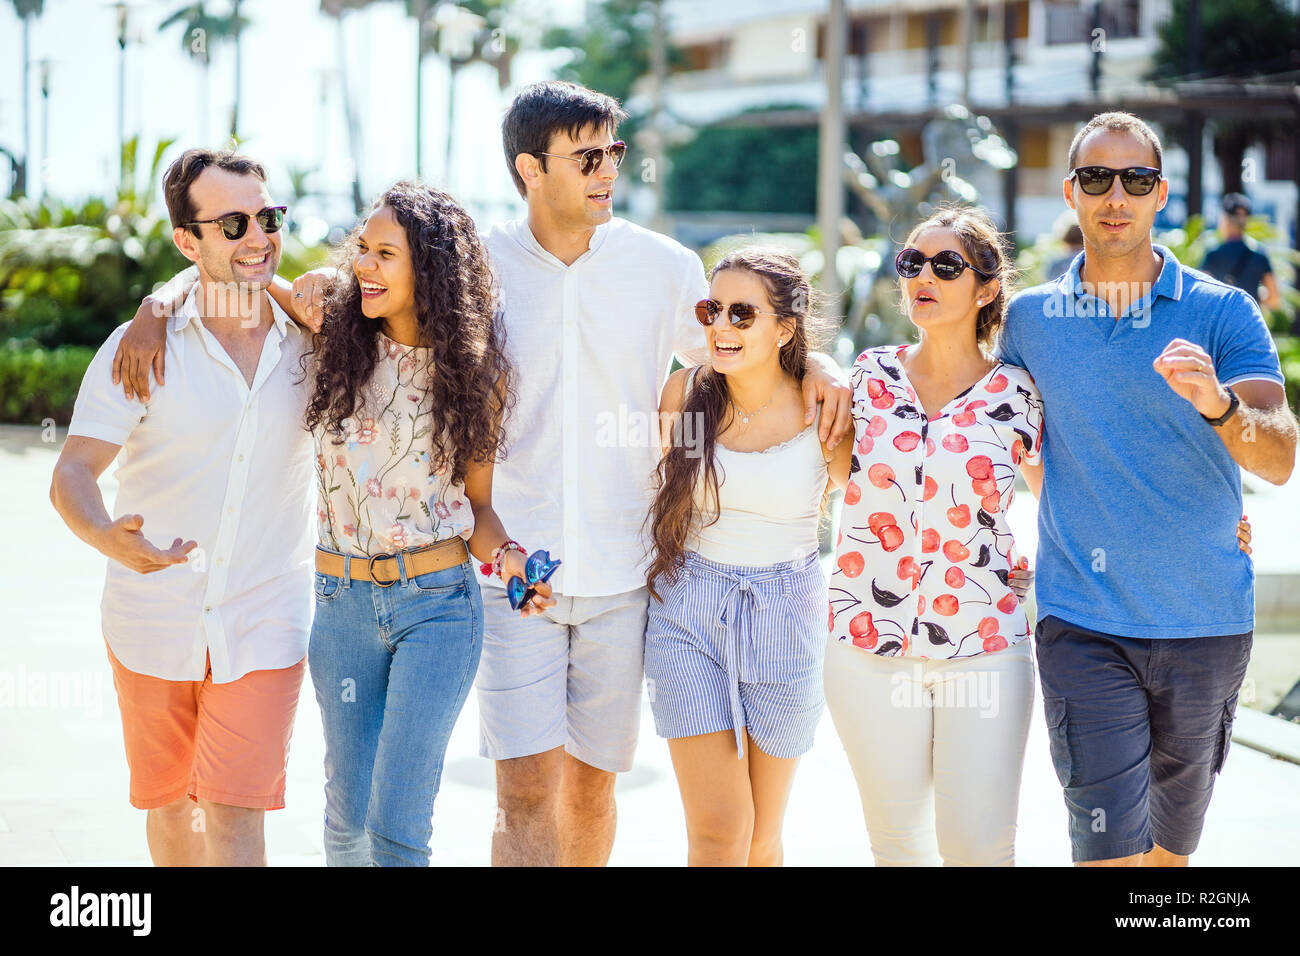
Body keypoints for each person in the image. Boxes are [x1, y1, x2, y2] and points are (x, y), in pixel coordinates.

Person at [459, 81, 853, 866]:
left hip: (629, 574)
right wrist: (165, 304)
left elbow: (748, 354)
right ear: (529, 168)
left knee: (591, 789)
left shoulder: (666, 267)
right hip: (511, 568)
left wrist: (828, 370)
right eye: (586, 157)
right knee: (523, 789)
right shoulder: (478, 267)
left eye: (614, 151)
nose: (608, 170)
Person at [111, 181, 553, 866]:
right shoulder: (332, 335)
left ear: (430, 268)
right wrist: (152, 306)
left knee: (396, 824)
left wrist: (515, 559)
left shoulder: (474, 373)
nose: (365, 267)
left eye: (386, 254)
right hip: (339, 605)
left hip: (437, 608)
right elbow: (227, 274)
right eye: (363, 250)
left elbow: (480, 509)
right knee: (346, 819)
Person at [998, 111, 1298, 867]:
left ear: (1160, 192)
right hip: (1083, 622)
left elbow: (1280, 458)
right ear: (1072, 192)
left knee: (1168, 856)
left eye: (1136, 179)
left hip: (1205, 619)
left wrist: (1220, 408)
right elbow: (985, 418)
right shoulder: (1031, 319)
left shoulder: (1222, 311)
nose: (1115, 196)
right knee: (1105, 849)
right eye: (1096, 178)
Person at [49, 148, 312, 866]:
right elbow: (73, 470)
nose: (257, 236)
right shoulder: (137, 351)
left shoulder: (316, 342)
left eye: (268, 217)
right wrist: (106, 536)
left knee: (233, 812)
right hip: (151, 617)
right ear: (187, 241)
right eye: (232, 223)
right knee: (173, 809)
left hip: (267, 616)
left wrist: (165, 297)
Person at [824, 206, 1043, 866]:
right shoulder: (866, 376)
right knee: (898, 849)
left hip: (985, 643)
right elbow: (836, 473)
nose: (924, 275)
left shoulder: (1017, 393)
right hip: (867, 643)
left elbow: (1067, 494)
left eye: (946, 266)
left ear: (984, 290)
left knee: (978, 846)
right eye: (912, 262)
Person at [644, 250, 836, 866]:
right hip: (689, 609)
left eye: (742, 313)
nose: (720, 327)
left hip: (787, 607)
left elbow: (878, 501)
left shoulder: (824, 406)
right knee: (722, 830)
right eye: (712, 309)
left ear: (784, 329)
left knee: (760, 838)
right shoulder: (685, 394)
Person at [1200, 193, 1283, 313]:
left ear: (1224, 219)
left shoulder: (1213, 254)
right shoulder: (1259, 255)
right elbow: (1275, 299)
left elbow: (1203, 294)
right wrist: (1257, 298)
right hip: (1250, 323)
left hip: (1222, 324)